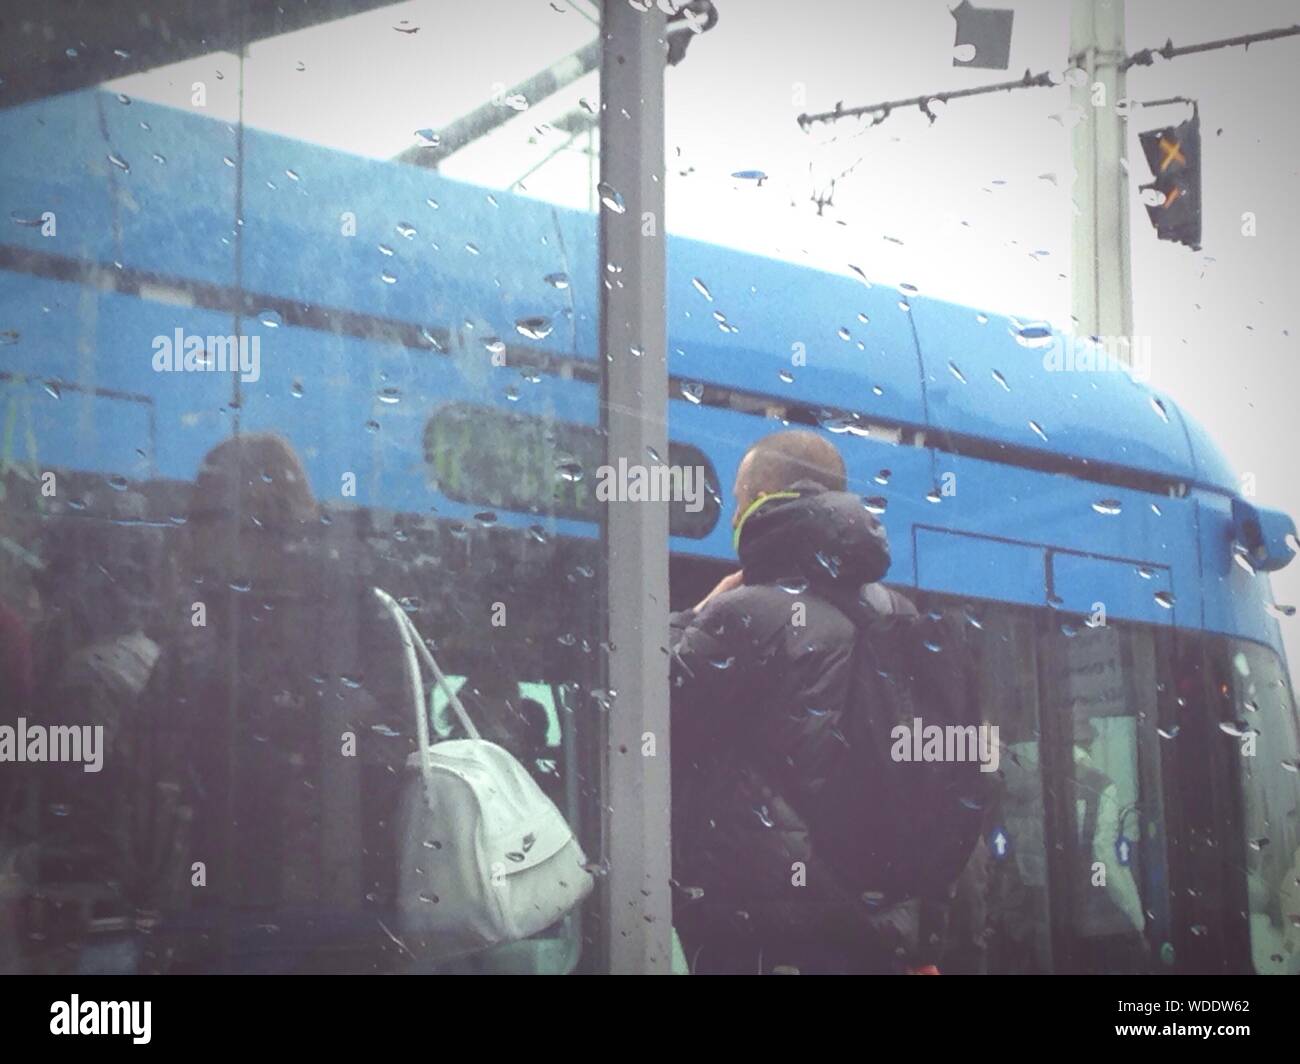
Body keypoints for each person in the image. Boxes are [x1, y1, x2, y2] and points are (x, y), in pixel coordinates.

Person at [668, 429, 977, 974]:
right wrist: (924, 942)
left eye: (738, 500)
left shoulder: (743, 615)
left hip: (765, 942)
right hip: (878, 946)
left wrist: (692, 618)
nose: (736, 515)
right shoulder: (902, 615)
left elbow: (648, 703)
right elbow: (938, 788)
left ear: (762, 497)